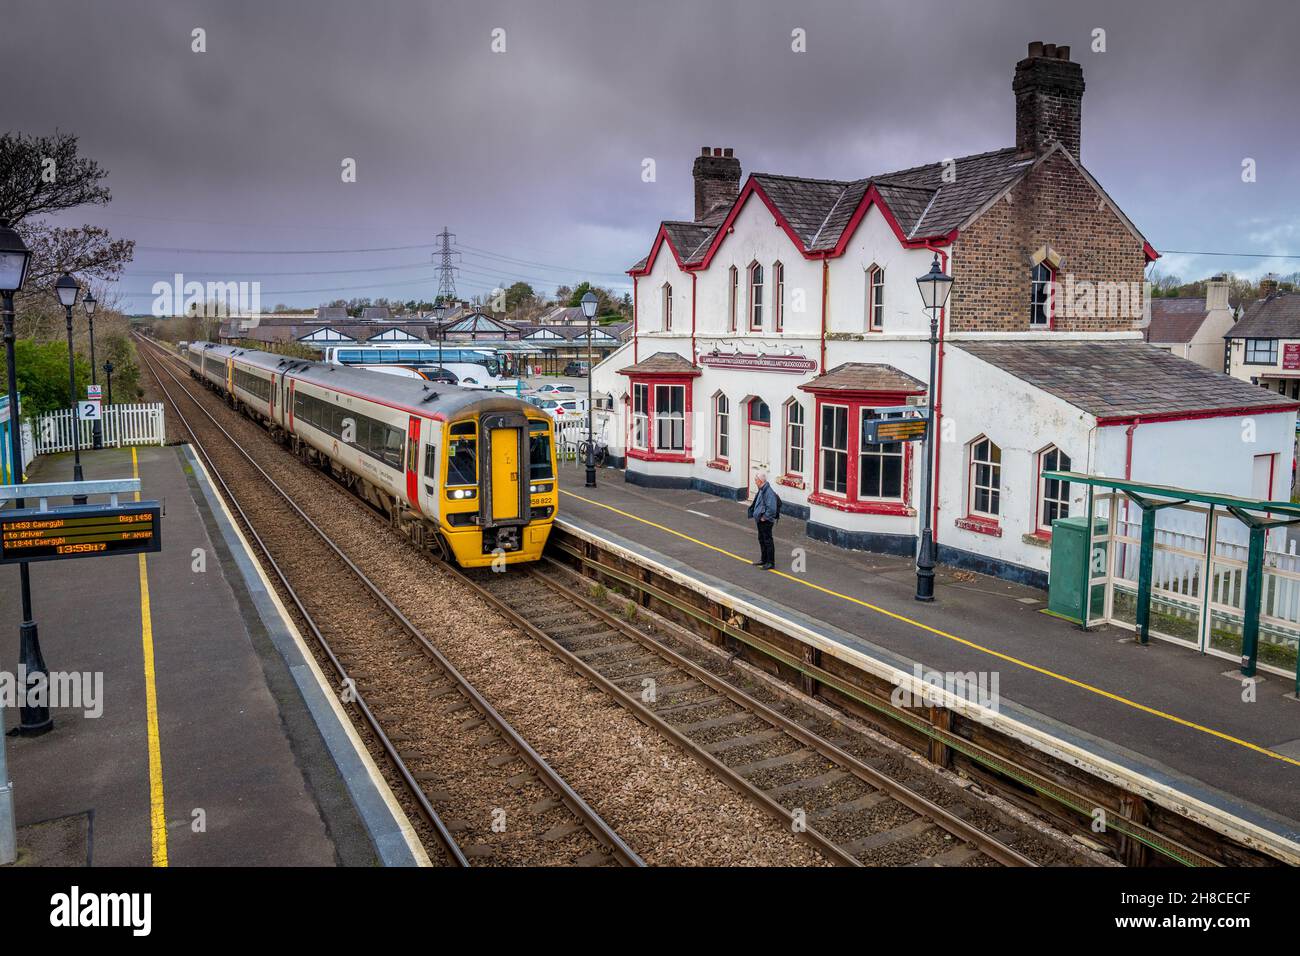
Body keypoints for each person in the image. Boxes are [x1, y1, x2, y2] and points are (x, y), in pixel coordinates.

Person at [746, 471, 780, 570]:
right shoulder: (761, 489)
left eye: (756, 480)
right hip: (760, 520)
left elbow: (772, 508)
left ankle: (770, 562)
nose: (755, 482)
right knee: (762, 539)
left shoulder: (768, 492)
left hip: (766, 521)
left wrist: (764, 517)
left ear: (760, 481)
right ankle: (764, 559)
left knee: (768, 540)